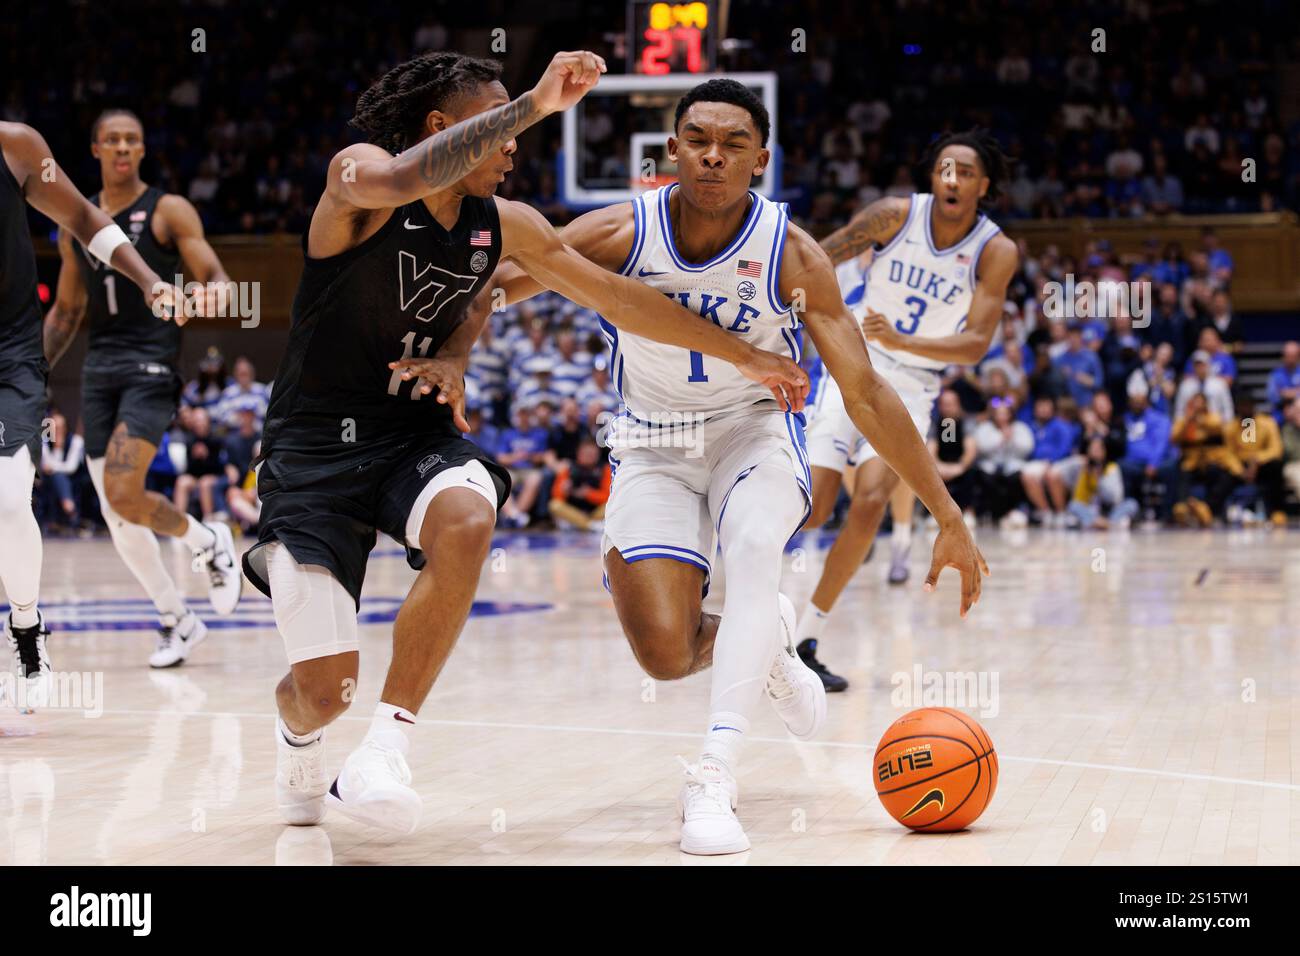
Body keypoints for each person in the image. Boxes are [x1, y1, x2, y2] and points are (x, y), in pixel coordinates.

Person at [243, 52, 809, 838]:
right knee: (322, 687)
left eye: (519, 123)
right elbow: (399, 178)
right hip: (311, 452)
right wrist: (538, 102)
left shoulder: (506, 224)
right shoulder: (360, 178)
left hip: (412, 436)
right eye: (498, 123)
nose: (516, 145)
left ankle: (385, 747)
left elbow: (617, 296)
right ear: (447, 128)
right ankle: (301, 738)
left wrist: (743, 353)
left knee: (470, 515)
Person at [485, 79, 986, 854]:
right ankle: (771, 643)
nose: (712, 155)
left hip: (752, 433)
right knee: (665, 650)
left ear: (761, 158)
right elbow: (501, 286)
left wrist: (947, 515)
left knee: (756, 551)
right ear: (673, 149)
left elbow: (863, 391)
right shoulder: (622, 228)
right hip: (652, 440)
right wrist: (453, 335)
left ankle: (714, 775)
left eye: (733, 144)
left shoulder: (794, 255)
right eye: (697, 139)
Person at [794, 129, 1016, 687]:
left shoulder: (996, 250)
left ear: (982, 186)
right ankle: (749, 608)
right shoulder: (893, 215)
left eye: (965, 171)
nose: (952, 178)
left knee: (870, 501)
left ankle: (805, 638)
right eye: (944, 167)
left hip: (913, 384)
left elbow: (975, 345)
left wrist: (902, 340)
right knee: (816, 508)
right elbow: (819, 257)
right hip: (854, 364)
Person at [42, 109, 242, 667]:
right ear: (96, 149)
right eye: (113, 140)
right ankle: (176, 618)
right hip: (98, 371)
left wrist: (213, 297)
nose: (123, 147)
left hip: (150, 367)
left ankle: (206, 541)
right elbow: (65, 311)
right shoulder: (73, 222)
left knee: (126, 492)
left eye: (133, 140)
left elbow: (219, 281)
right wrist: (31, 372)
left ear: (143, 149)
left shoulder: (168, 209)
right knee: (116, 514)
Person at [1, 121, 183, 709]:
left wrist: (151, 279)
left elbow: (81, 217)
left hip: (10, 351)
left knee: (9, 497)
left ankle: (27, 628)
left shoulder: (17, 146)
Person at [1171, 392, 1237, 526]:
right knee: (1180, 473)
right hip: (1191, 463)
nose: (1197, 406)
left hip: (1211, 461)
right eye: (1194, 403)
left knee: (1223, 477)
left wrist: (1200, 421)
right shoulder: (1184, 421)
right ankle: (1183, 508)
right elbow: (1174, 438)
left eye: (1200, 403)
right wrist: (1189, 421)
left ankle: (1208, 509)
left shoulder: (1213, 417)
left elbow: (1219, 426)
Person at [1224, 393, 1286, 526]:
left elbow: (1276, 449)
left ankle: (1275, 511)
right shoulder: (1230, 427)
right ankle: (1219, 513)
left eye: (1248, 406)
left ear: (1253, 407)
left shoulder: (1268, 423)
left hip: (1262, 465)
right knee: (1220, 473)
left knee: (1275, 467)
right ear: (1237, 408)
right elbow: (1228, 454)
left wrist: (1257, 460)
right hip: (1240, 466)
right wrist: (1240, 471)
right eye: (1242, 407)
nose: (1245, 410)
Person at [548, 438, 610, 530]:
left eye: (592, 454)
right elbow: (556, 496)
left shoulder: (605, 469)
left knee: (611, 505)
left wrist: (587, 493)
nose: (589, 457)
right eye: (586, 454)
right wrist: (565, 490)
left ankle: (580, 524)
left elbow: (608, 497)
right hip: (574, 511)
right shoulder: (568, 469)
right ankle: (589, 525)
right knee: (554, 505)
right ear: (579, 453)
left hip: (595, 512)